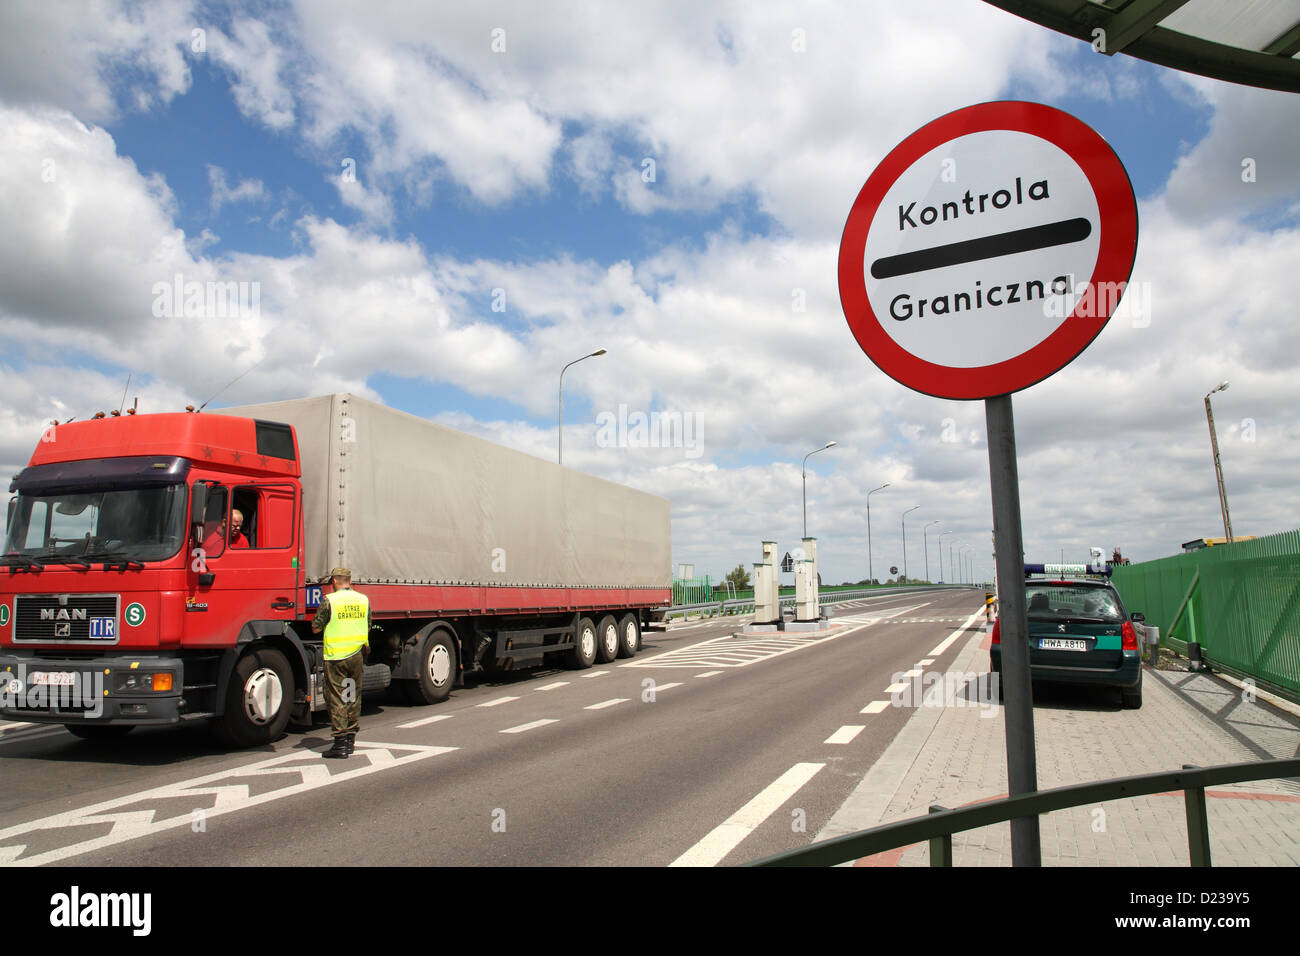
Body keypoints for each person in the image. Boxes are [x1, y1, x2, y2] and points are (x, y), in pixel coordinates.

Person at [312, 567, 370, 758]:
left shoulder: (330, 600)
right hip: (357, 655)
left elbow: (315, 627)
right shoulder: (363, 599)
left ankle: (339, 744)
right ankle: (351, 740)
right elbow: (368, 624)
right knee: (352, 695)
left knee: (337, 698)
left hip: (336, 656)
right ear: (349, 580)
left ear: (334, 582)